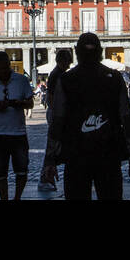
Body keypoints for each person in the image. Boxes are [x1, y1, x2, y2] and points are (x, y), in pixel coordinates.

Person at [42, 32, 130, 200]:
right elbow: (126, 117)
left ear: (76, 52)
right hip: (108, 153)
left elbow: (57, 121)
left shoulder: (66, 80)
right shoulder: (115, 78)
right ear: (101, 52)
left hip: (76, 154)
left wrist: (50, 160)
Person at [0, 51, 34, 200]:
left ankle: (17, 197)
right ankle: (4, 198)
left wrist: (19, 104)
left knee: (22, 170)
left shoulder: (21, 80)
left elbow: (30, 103)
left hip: (18, 133)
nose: (3, 70)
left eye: (5, 67)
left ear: (9, 64)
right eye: (0, 67)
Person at [38, 48, 74, 192]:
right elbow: (52, 97)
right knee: (53, 146)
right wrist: (57, 114)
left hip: (55, 112)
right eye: (67, 61)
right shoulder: (57, 75)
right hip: (56, 113)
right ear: (62, 61)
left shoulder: (58, 73)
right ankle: (45, 177)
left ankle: (48, 176)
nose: (68, 64)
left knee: (55, 146)